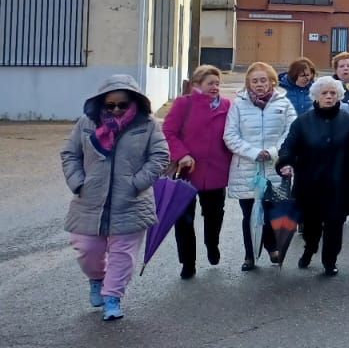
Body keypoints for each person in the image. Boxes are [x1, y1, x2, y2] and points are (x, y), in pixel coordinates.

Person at [62, 75, 170, 321]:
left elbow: (160, 156)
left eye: (122, 104)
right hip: (90, 200)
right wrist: (78, 182)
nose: (117, 110)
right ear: (102, 104)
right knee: (88, 249)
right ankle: (97, 280)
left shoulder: (148, 125)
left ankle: (112, 297)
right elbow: (70, 153)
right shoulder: (86, 123)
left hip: (131, 201)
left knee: (123, 253)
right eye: (110, 106)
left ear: (133, 102)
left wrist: (137, 183)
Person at [276, 77, 349, 276]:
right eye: (324, 93)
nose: (329, 97)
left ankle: (330, 260)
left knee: (335, 224)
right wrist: (286, 163)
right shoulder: (303, 121)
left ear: (339, 96)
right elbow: (288, 147)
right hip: (309, 184)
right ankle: (310, 248)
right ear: (316, 96)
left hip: (340, 183)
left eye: (333, 93)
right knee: (311, 225)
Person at [224, 61, 297, 270]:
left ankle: (271, 246)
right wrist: (255, 153)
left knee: (272, 211)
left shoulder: (283, 104)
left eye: (263, 80)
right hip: (247, 168)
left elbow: (291, 132)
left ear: (272, 81)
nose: (259, 84)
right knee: (250, 214)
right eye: (254, 81)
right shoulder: (238, 105)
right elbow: (230, 135)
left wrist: (273, 152)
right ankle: (249, 255)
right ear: (248, 83)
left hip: (275, 167)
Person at [163, 65, 232, 278]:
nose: (215, 87)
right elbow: (169, 131)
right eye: (210, 83)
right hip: (187, 171)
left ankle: (212, 244)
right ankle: (188, 262)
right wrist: (181, 154)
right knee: (183, 219)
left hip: (216, 171)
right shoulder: (185, 104)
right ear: (197, 85)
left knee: (214, 215)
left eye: (217, 83)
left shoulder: (228, 105)